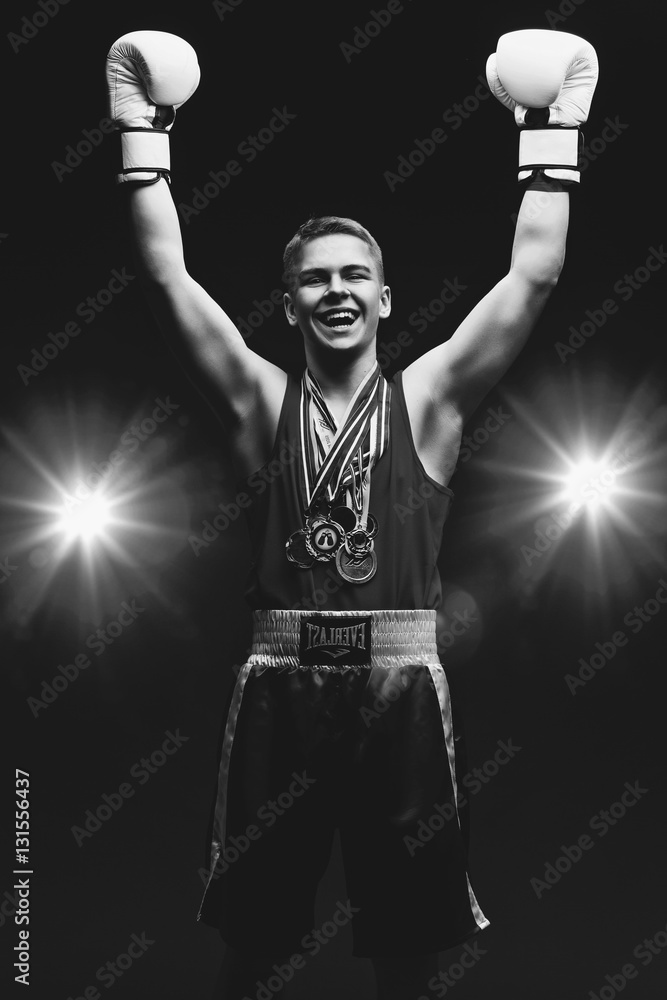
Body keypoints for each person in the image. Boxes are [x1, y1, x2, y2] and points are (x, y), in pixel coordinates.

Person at [106, 26, 598, 1000]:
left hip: (400, 683)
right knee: (252, 943)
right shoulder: (257, 400)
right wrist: (138, 135)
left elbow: (531, 278)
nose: (334, 291)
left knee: (410, 950)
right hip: (279, 684)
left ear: (383, 297)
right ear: (288, 306)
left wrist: (554, 132)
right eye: (313, 279)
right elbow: (167, 279)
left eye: (351, 276)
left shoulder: (433, 397)